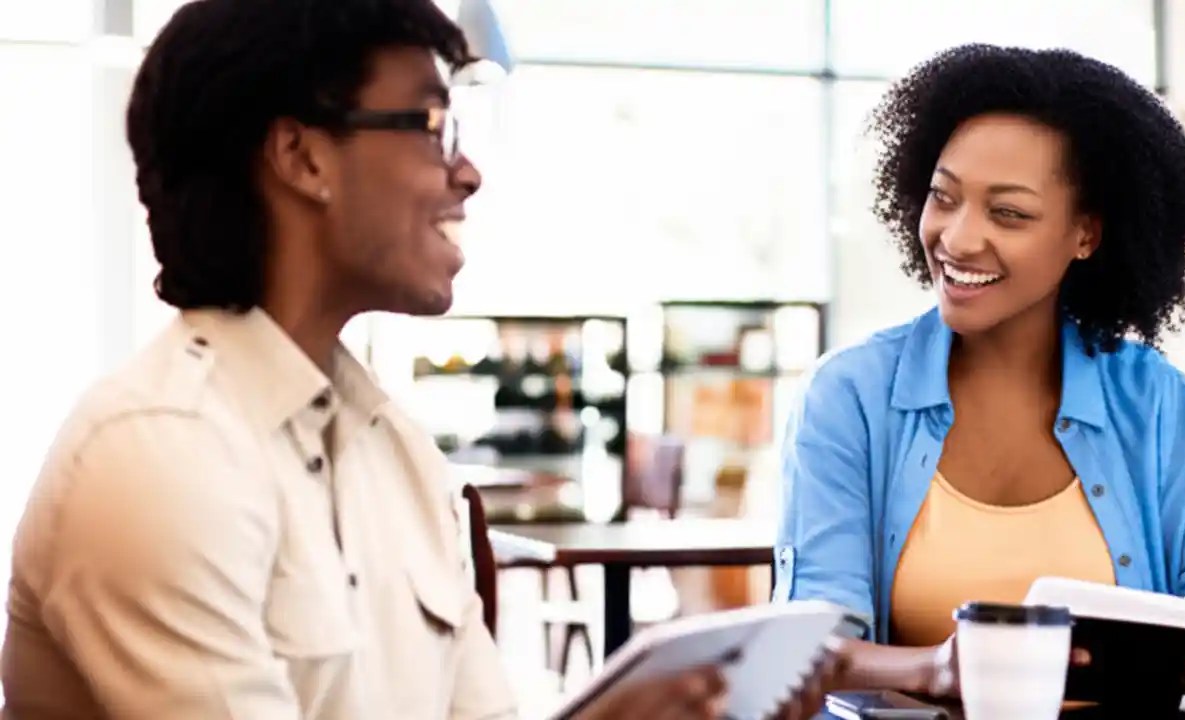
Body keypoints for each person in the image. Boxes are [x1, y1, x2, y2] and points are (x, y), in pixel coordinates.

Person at [0, 1, 731, 718]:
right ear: (301, 155)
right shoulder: (157, 453)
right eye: (434, 126)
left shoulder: (401, 455)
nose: (468, 172)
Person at [774, 43, 1185, 707]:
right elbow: (811, 648)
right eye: (943, 197)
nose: (957, 238)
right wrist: (937, 671)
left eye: (1008, 212)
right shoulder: (849, 397)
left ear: (1086, 235)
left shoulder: (1153, 400)